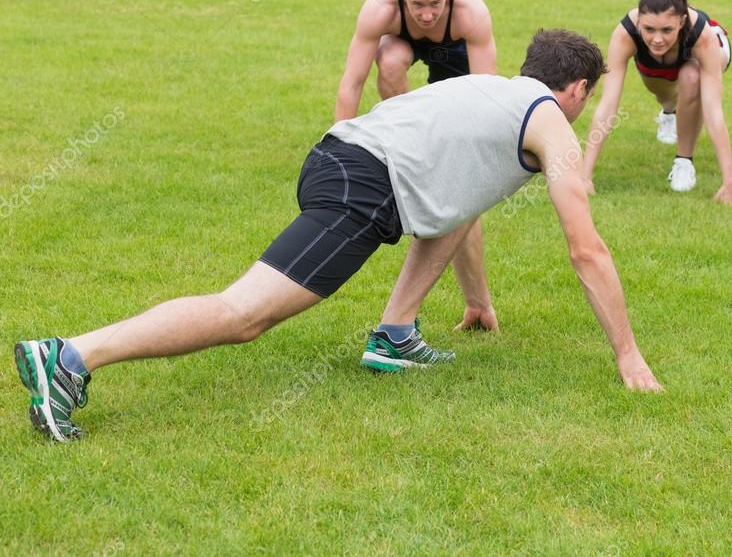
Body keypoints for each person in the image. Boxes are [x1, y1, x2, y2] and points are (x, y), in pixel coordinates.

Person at [14, 29, 663, 443]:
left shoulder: (486, 91)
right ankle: (71, 357)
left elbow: (462, 204)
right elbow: (586, 248)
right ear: (577, 89)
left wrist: (479, 302)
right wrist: (628, 354)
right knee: (244, 314)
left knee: (455, 206)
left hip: (342, 158)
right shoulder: (551, 123)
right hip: (363, 185)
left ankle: (395, 335)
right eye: (583, 99)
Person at [581, 0, 732, 205]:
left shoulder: (702, 36)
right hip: (659, 65)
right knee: (660, 89)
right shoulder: (625, 33)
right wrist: (585, 178)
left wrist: (730, 184)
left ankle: (684, 162)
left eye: (667, 30)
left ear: (681, 21)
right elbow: (607, 105)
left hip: (706, 53)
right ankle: (669, 111)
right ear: (639, 23)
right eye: (649, 29)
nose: (657, 39)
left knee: (691, 77)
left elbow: (714, 112)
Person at [334, 0, 497, 121]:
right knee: (390, 62)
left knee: (455, 110)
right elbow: (352, 83)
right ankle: (405, 129)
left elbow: (487, 89)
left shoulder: (470, 11)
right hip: (401, 41)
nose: (427, 16)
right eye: (417, 4)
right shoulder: (381, 8)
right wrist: (333, 144)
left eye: (435, 3)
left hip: (451, 46)